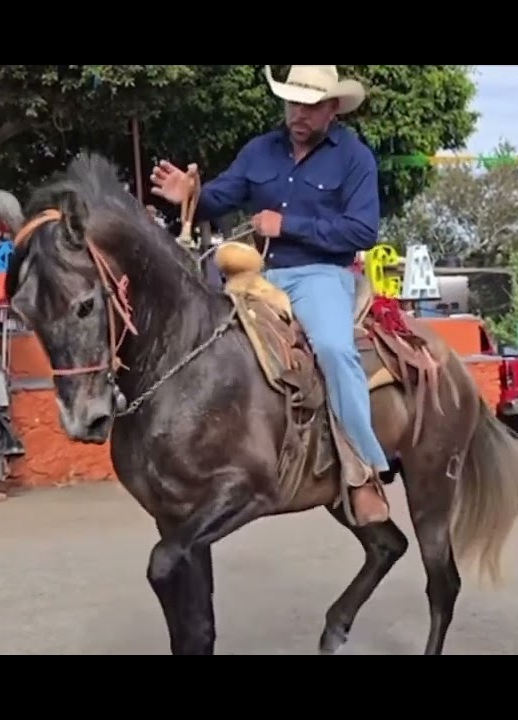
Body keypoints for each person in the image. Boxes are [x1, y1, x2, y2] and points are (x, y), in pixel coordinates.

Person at [149, 65, 390, 525]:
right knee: (201, 339)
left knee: (336, 351)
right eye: (293, 102)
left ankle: (363, 474)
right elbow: (219, 196)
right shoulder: (260, 150)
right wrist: (189, 195)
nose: (299, 113)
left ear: (333, 108)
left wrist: (289, 226)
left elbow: (362, 230)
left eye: (311, 104)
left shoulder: (355, 158)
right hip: (257, 275)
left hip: (320, 275)